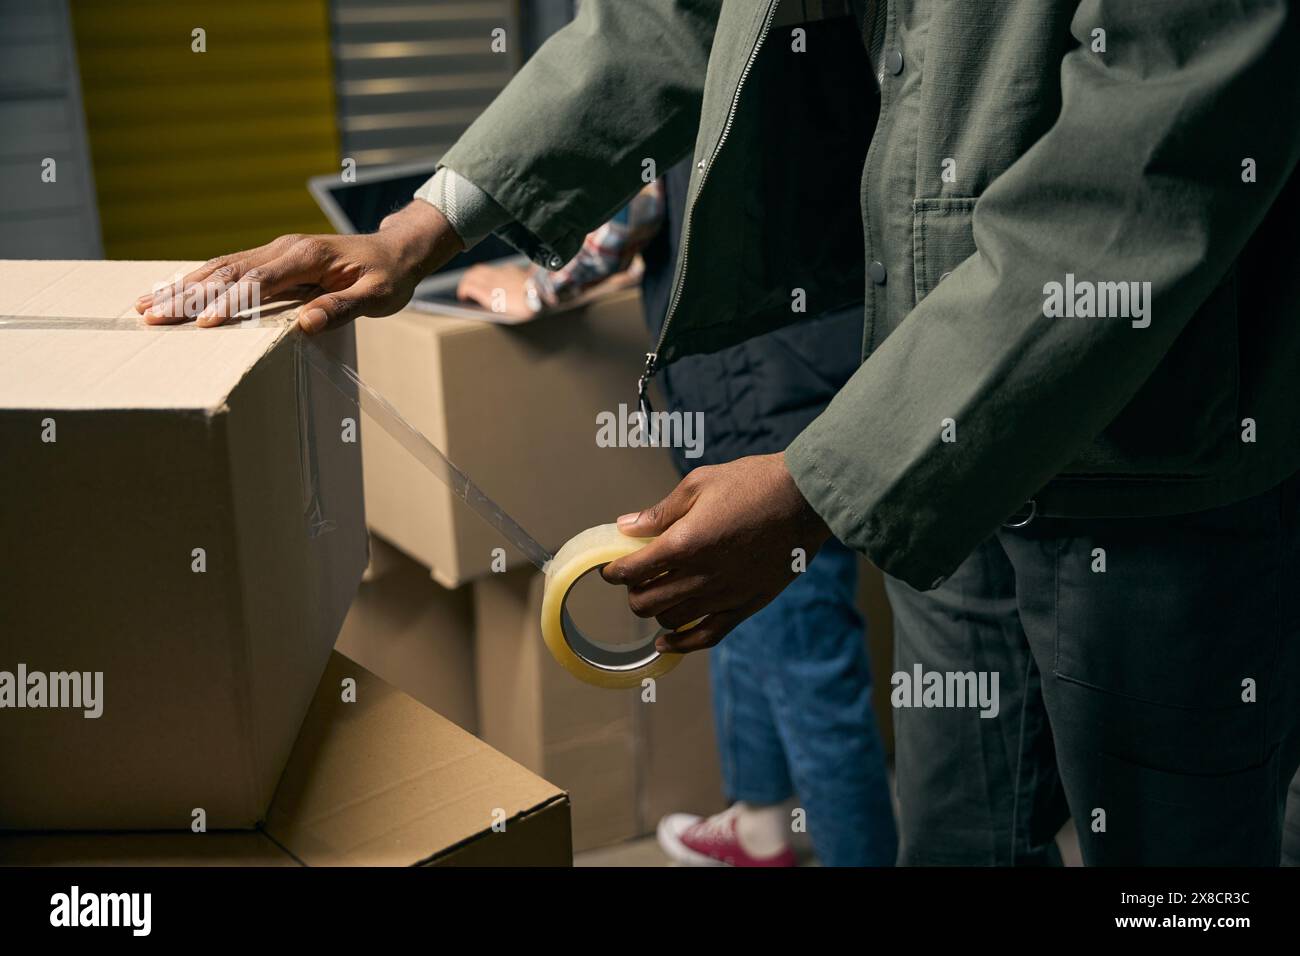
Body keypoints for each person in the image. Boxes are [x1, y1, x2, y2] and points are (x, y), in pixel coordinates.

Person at [137, 0, 1300, 865]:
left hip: (1151, 477)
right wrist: (418, 229)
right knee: (953, 829)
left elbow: (1146, 173)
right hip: (937, 462)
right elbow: (672, 17)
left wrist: (820, 486)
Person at [457, 161, 897, 867]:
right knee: (739, 601)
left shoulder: (697, 51)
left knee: (808, 660)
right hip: (806, 352)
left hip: (765, 384)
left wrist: (536, 287)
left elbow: (639, 202)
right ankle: (759, 826)